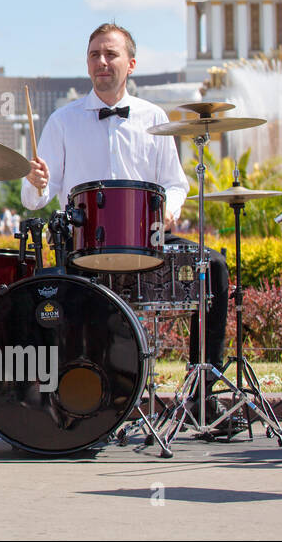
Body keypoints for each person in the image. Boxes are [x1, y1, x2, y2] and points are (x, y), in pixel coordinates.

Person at [21, 23, 231, 420]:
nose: (102, 62)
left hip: (147, 243)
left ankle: (204, 393)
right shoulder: (63, 121)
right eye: (95, 54)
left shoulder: (155, 118)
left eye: (111, 54)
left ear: (131, 63)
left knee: (214, 267)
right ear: (87, 64)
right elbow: (34, 198)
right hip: (84, 250)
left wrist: (169, 207)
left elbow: (174, 183)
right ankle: (77, 400)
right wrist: (35, 183)